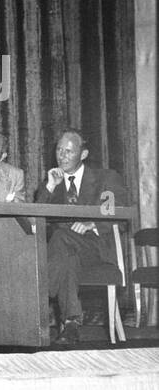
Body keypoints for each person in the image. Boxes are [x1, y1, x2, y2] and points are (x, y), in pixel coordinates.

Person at [34, 128, 128, 345]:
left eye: (69, 151)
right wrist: (49, 187)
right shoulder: (51, 184)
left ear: (83, 155)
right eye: (59, 150)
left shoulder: (105, 178)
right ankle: (72, 324)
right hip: (65, 254)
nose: (62, 156)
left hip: (97, 249)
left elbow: (118, 214)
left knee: (59, 237)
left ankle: (41, 289)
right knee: (65, 253)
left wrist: (91, 224)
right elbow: (34, 219)